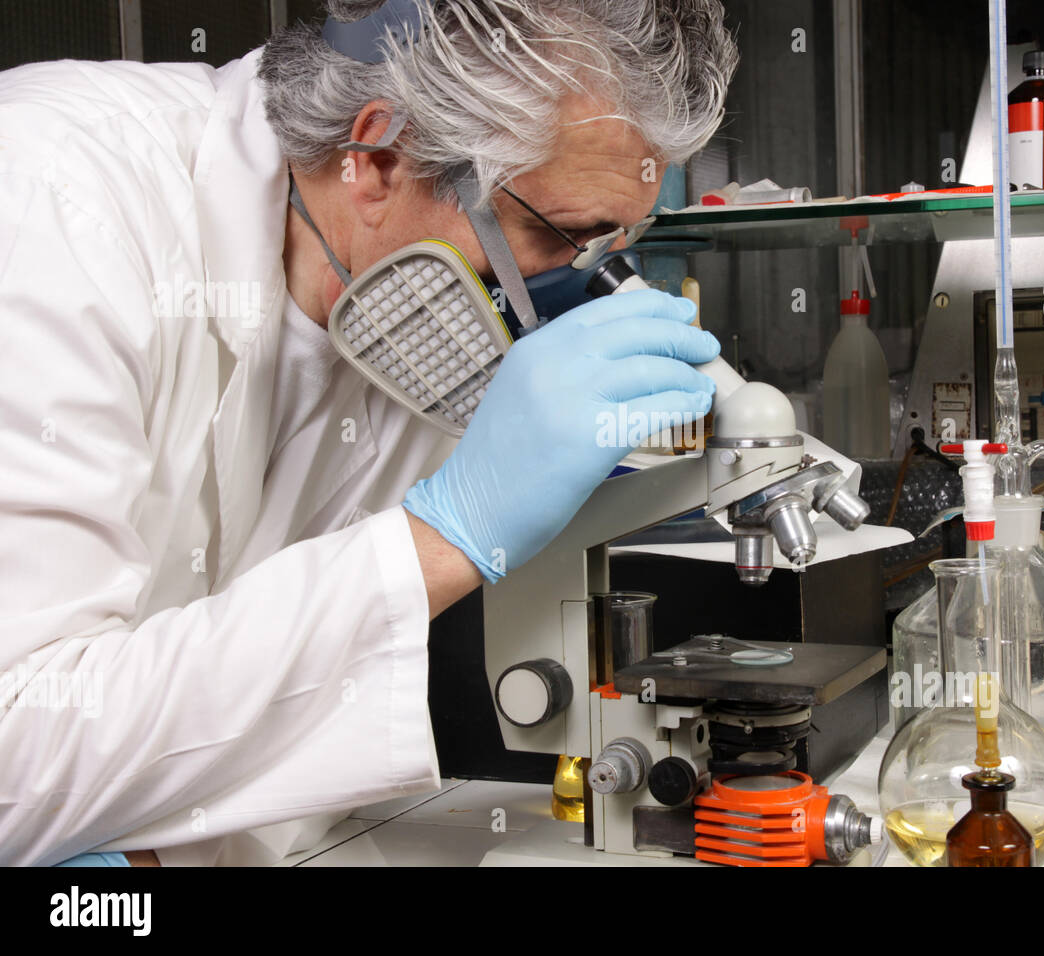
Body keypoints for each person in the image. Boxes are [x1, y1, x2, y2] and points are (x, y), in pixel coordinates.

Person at [0, 0, 737, 866]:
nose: (583, 283)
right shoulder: (54, 197)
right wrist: (442, 536)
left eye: (618, 238)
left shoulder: (395, 285)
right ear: (378, 158)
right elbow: (20, 748)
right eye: (556, 234)